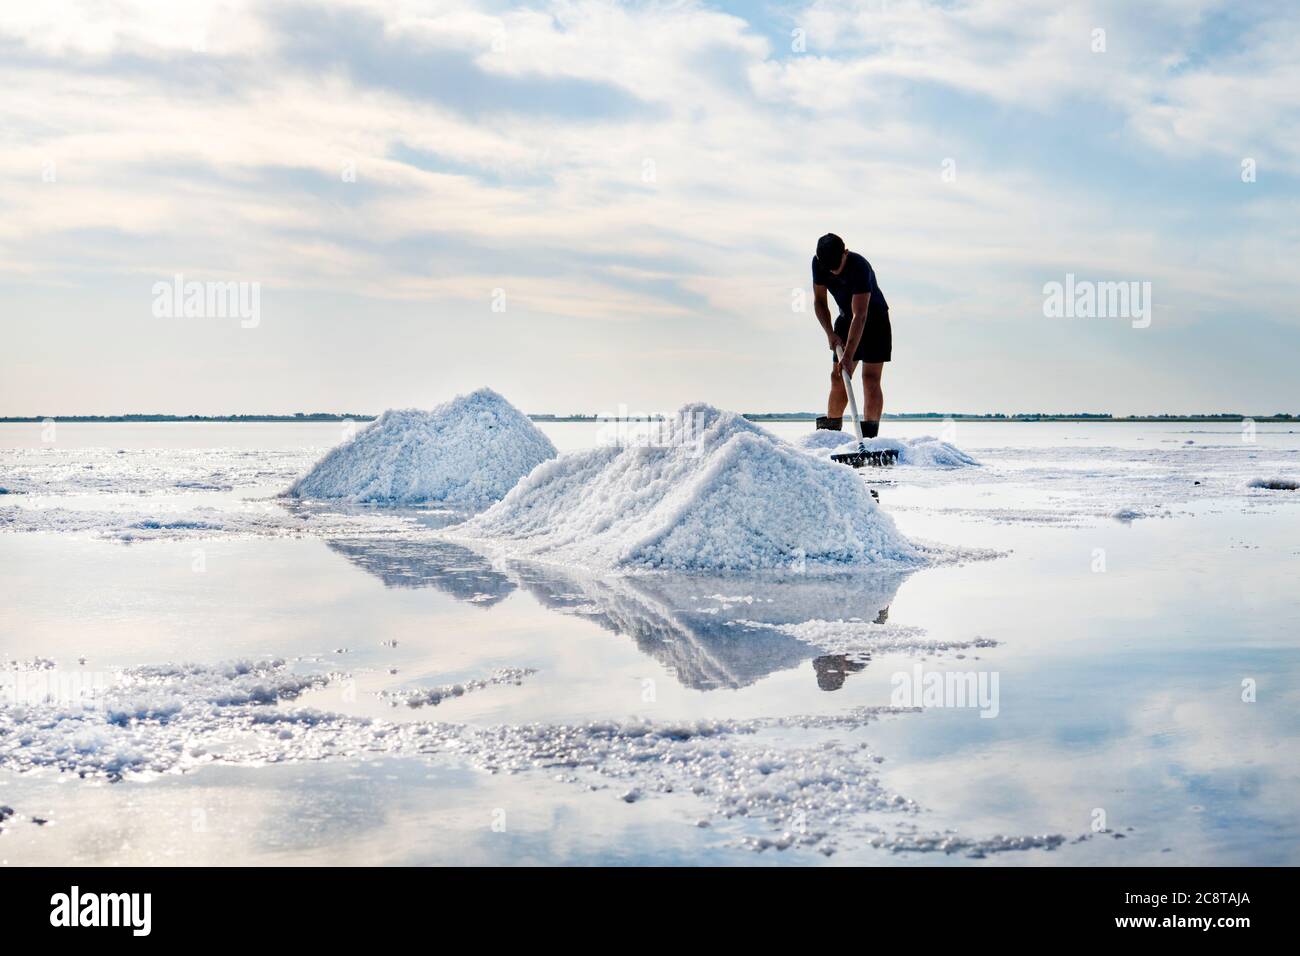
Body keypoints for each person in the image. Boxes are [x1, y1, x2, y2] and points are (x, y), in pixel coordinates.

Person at [810, 233, 891, 438]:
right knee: (838, 376)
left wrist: (848, 355)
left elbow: (860, 315)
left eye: (838, 266)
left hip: (875, 322)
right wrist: (830, 333)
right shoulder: (819, 264)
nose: (834, 272)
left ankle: (869, 438)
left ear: (845, 252)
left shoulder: (859, 267)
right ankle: (830, 435)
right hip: (846, 320)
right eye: (830, 268)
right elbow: (820, 301)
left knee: (870, 379)